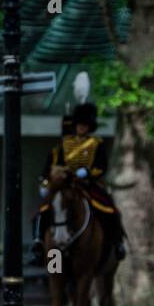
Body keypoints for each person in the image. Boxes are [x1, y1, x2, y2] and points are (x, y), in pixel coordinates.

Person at [32, 99, 128, 262]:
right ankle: (39, 243)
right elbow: (51, 167)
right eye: (79, 124)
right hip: (64, 184)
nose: (81, 127)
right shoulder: (63, 146)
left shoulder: (96, 144)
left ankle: (116, 244)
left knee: (110, 209)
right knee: (42, 210)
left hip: (88, 184)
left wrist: (87, 173)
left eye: (85, 125)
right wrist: (45, 182)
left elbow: (101, 166)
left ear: (89, 126)